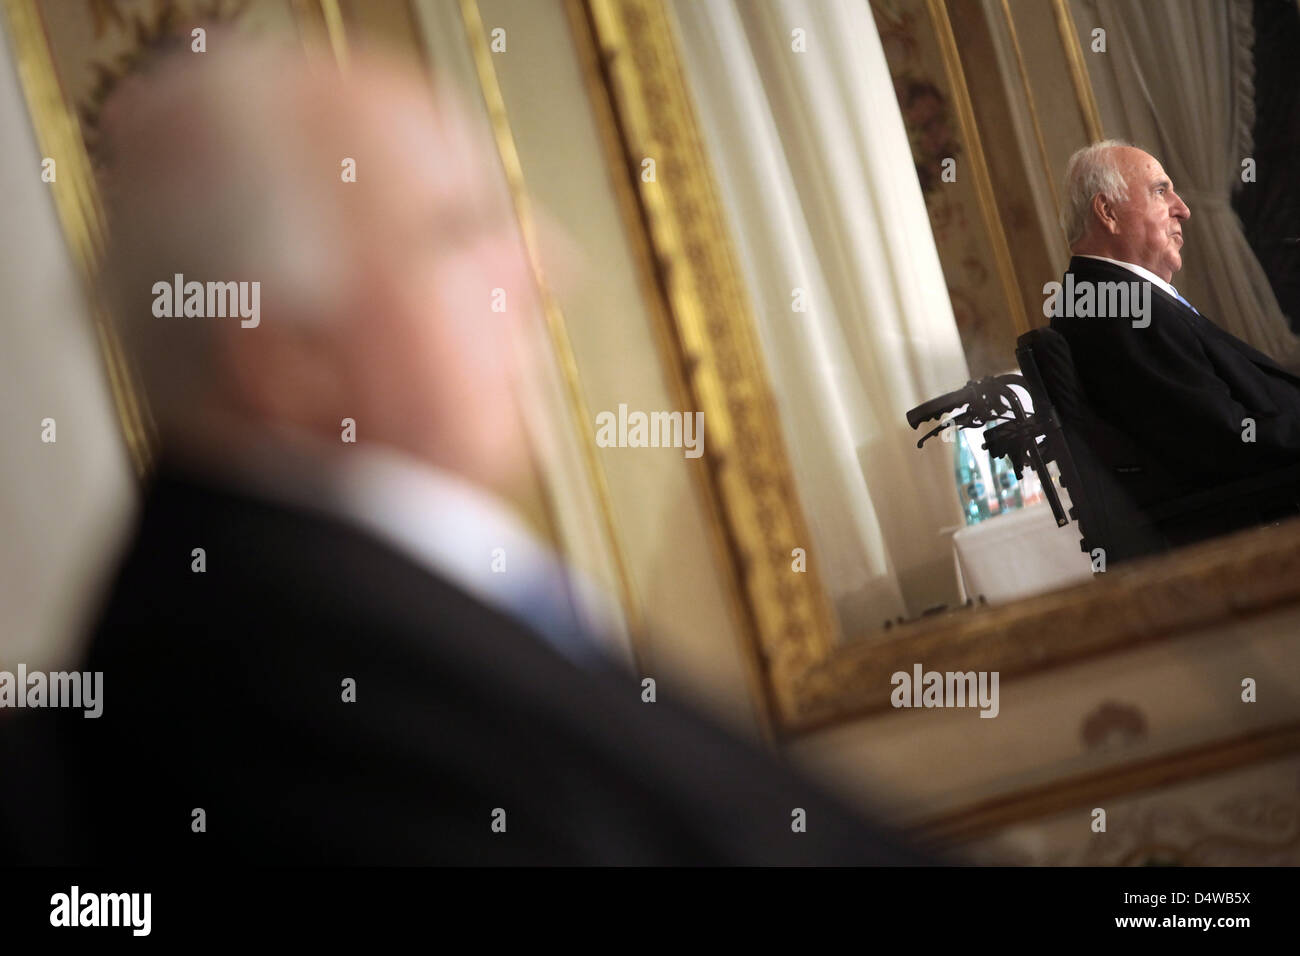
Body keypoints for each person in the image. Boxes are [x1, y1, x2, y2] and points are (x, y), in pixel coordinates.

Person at [1, 40, 924, 865]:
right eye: (459, 226)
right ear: (283, 357)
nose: (547, 268)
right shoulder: (285, 692)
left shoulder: (358, 594)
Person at [1052, 140, 1300, 492]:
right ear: (1107, 212)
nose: (1182, 209)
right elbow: (1223, 441)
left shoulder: (1116, 297)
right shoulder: (1114, 307)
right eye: (1160, 191)